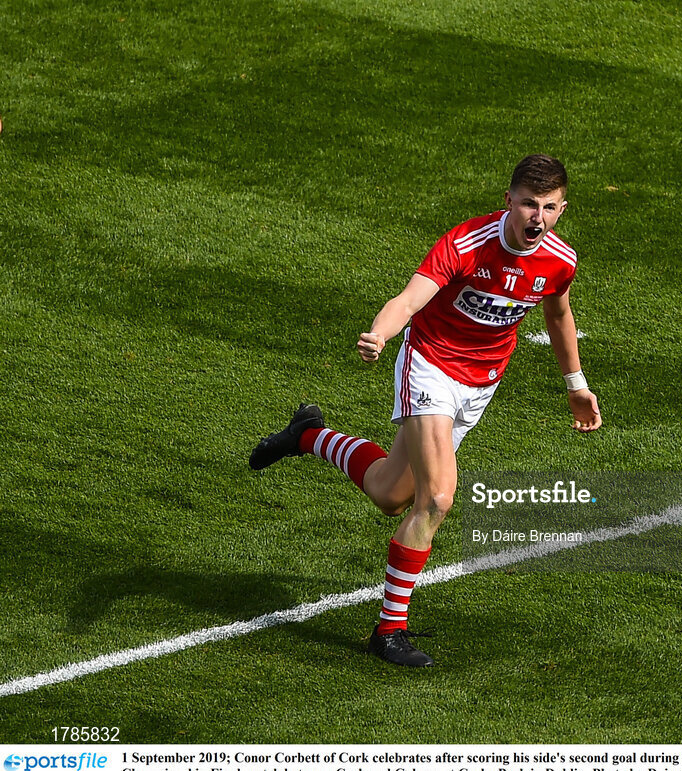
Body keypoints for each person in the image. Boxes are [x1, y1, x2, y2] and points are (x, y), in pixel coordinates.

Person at [249, 154, 601, 667]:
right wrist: (380, 333)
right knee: (436, 499)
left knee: (392, 493)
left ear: (562, 209)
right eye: (528, 204)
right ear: (509, 201)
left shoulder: (559, 260)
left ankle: (308, 435)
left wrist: (575, 384)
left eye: (548, 208)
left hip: (480, 384)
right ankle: (388, 632)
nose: (537, 218)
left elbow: (559, 313)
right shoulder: (465, 244)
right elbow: (409, 299)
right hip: (430, 366)